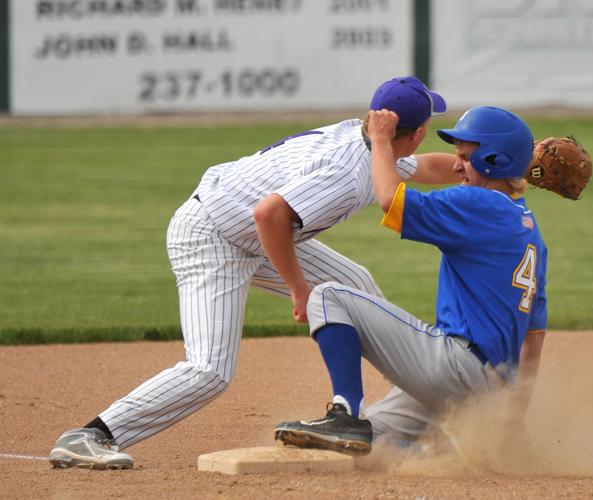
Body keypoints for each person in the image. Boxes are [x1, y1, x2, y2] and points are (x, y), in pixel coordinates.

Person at [48, 76, 459, 470]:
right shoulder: (346, 172)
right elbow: (269, 215)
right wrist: (299, 289)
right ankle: (92, 435)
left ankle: (400, 420)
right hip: (214, 236)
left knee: (356, 289)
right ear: (418, 133)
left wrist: (482, 170)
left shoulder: (369, 143)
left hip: (247, 229)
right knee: (209, 370)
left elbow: (429, 168)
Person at [274, 106, 548, 456]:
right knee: (370, 441)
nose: (456, 165)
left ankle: (345, 414)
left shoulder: (477, 202)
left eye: (465, 157)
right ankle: (444, 449)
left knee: (328, 296)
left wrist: (380, 140)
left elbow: (391, 200)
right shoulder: (531, 233)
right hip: (488, 393)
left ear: (495, 160)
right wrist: (514, 417)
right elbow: (533, 339)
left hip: (456, 369)